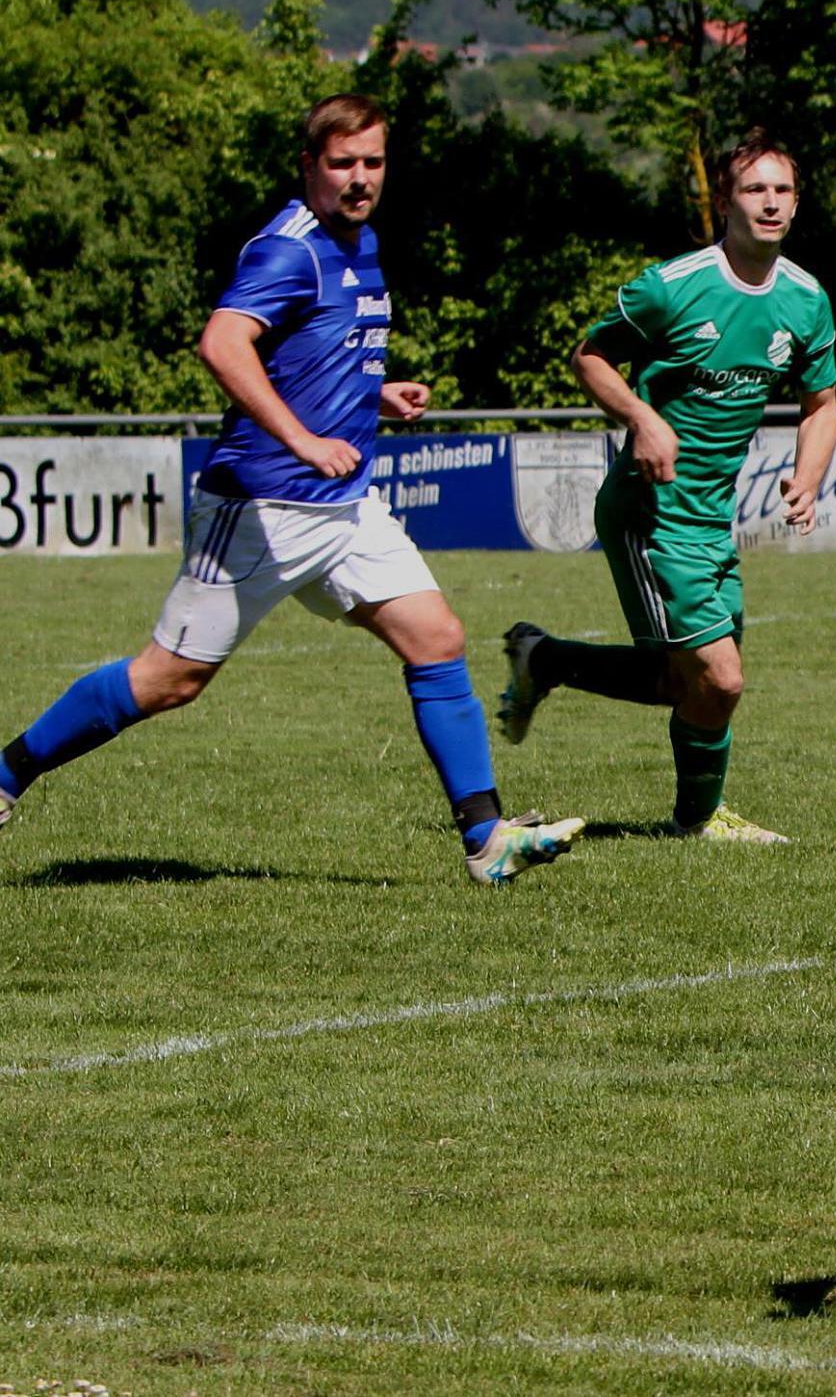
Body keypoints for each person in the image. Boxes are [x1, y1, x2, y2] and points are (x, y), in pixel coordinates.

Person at [0, 95, 582, 885]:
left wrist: (374, 394)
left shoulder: (362, 240)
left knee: (437, 638)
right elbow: (223, 343)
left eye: (372, 162)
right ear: (308, 167)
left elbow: (307, 351)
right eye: (341, 164)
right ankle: (6, 776)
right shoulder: (289, 250)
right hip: (262, 506)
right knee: (169, 680)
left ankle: (486, 841)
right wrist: (303, 439)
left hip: (343, 508)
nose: (359, 178)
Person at [494, 129, 836, 844]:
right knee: (720, 679)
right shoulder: (673, 286)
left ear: (796, 202)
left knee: (692, 685)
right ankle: (699, 821)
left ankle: (545, 658)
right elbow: (588, 356)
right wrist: (642, 418)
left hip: (711, 518)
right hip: (651, 513)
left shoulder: (806, 299)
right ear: (724, 201)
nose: (770, 204)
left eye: (782, 190)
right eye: (754, 189)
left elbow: (821, 403)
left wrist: (807, 478)